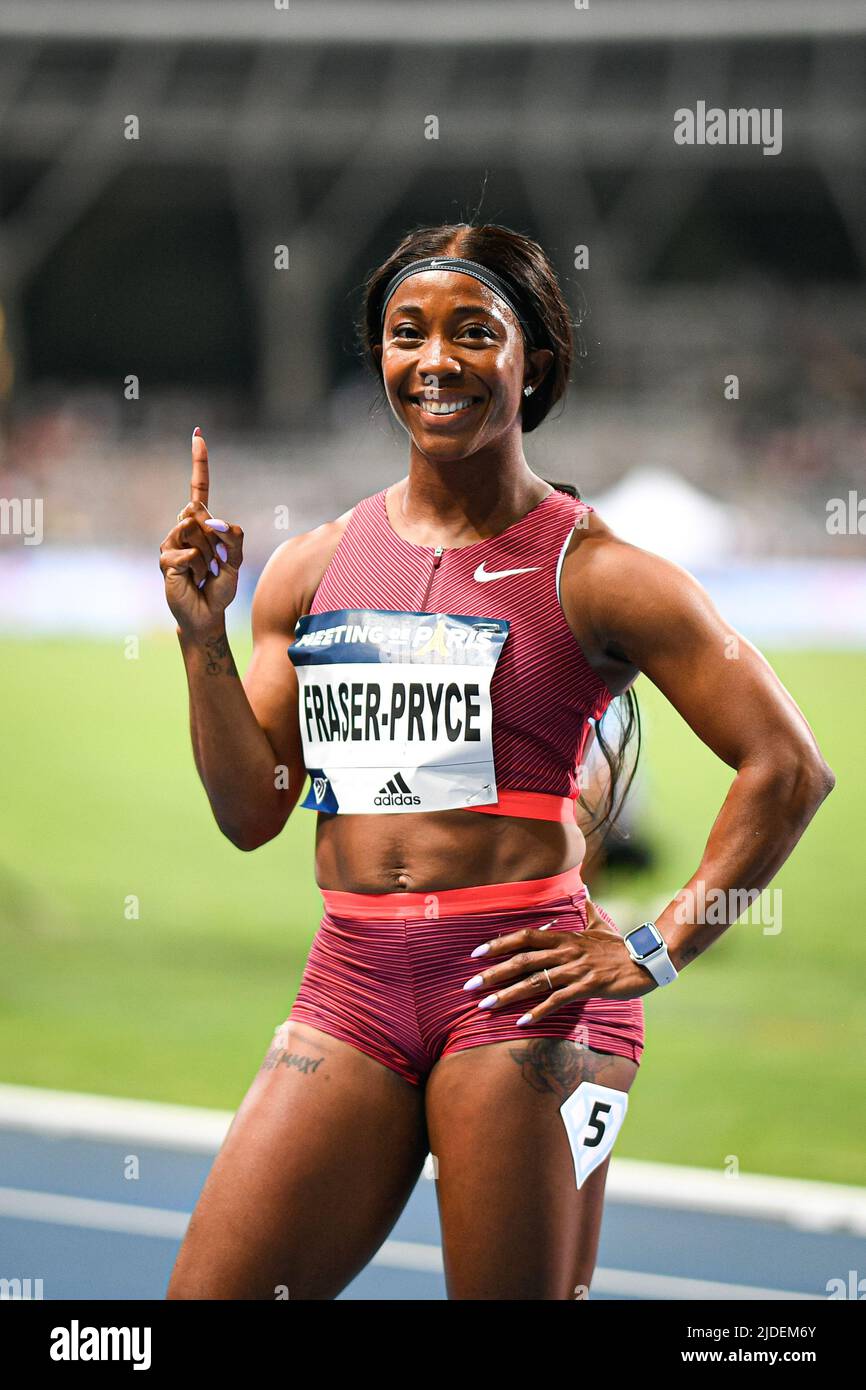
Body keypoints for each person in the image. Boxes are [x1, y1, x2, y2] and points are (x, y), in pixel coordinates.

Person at [160, 224, 834, 1301]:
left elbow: (786, 765)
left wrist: (655, 948)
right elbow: (253, 811)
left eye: (474, 333)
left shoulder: (600, 572)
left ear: (535, 362)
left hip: (527, 995)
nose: (435, 360)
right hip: (350, 984)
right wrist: (202, 634)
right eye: (404, 333)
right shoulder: (308, 569)